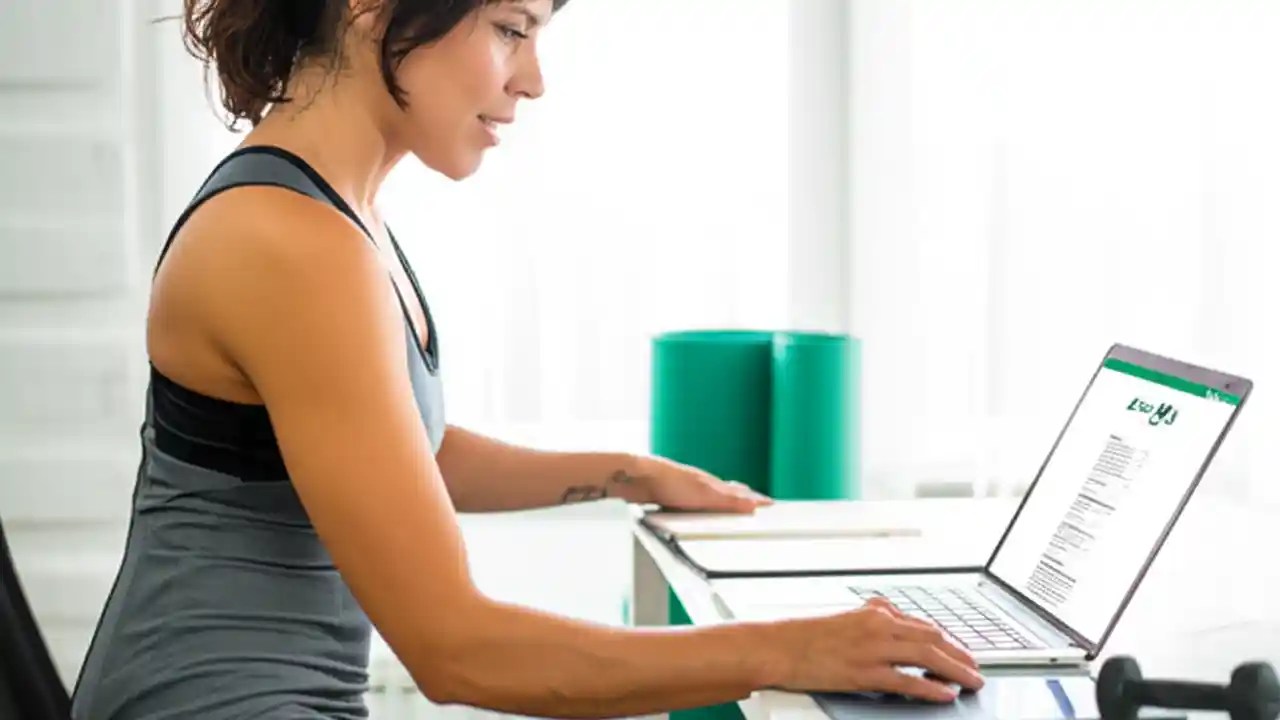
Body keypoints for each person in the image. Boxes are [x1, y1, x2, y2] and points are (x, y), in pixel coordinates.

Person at [70, 1, 985, 718]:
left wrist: (628, 472)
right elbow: (457, 651)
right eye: (511, 30)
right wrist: (794, 650)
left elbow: (399, 454)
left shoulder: (331, 216)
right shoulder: (289, 243)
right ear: (373, 8)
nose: (534, 79)